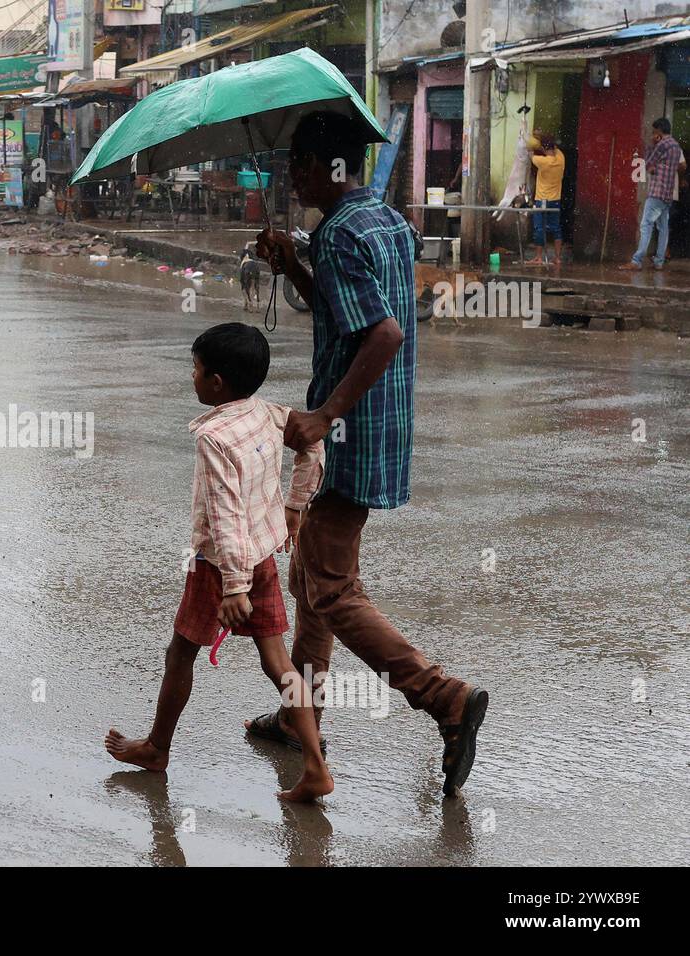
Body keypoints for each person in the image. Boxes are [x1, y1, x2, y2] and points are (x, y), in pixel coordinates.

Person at [253, 111, 488, 798]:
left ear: (324, 166)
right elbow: (345, 310)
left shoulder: (343, 233)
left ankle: (441, 695)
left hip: (349, 427)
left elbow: (382, 333)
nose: (292, 175)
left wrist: (326, 415)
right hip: (377, 421)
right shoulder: (381, 221)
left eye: (298, 161)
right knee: (310, 583)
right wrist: (293, 263)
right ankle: (303, 718)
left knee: (328, 586)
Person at [105, 322, 332, 802]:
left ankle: (156, 749)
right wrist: (295, 506)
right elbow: (314, 443)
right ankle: (314, 765)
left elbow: (225, 516)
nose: (191, 376)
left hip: (219, 566)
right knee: (280, 663)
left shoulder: (214, 438)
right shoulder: (267, 413)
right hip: (264, 554)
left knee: (180, 653)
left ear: (216, 383)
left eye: (195, 368)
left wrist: (233, 587)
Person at [621, 117, 686, 271]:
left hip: (657, 193)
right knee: (663, 228)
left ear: (659, 130)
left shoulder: (662, 144)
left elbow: (648, 162)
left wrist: (652, 144)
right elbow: (678, 166)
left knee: (646, 225)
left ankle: (636, 261)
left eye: (654, 131)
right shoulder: (676, 146)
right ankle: (659, 261)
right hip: (668, 194)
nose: (652, 133)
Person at [525, 131, 564, 266]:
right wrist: (544, 138)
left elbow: (529, 152)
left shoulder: (542, 161)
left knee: (539, 228)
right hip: (555, 200)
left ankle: (539, 257)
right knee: (556, 228)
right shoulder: (561, 158)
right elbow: (555, 149)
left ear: (543, 148)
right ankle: (558, 258)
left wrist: (536, 141)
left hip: (542, 200)